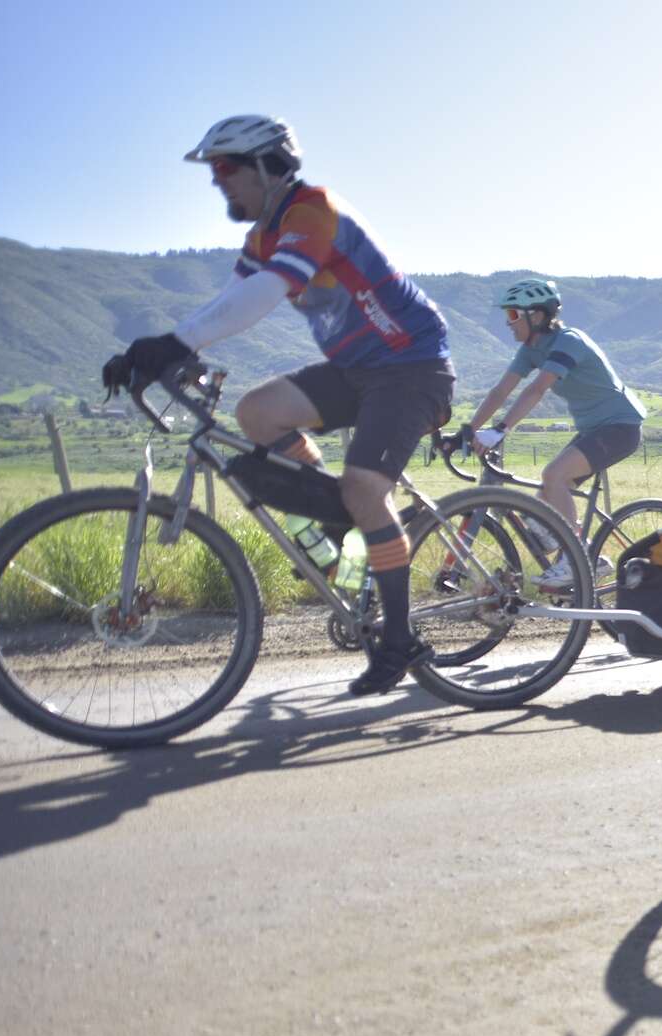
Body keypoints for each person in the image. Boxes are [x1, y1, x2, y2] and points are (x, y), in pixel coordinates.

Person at [101, 115, 456, 696]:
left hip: (409, 366)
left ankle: (399, 639)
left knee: (365, 488)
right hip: (356, 369)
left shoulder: (312, 211)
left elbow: (262, 296)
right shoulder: (261, 236)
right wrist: (150, 352)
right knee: (257, 413)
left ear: (270, 165)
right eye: (215, 172)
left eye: (227, 168)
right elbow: (231, 298)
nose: (219, 182)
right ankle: (341, 526)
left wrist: (177, 343)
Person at [461, 279, 647, 589]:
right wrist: (467, 430)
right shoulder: (531, 349)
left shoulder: (569, 341)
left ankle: (579, 557)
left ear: (536, 315)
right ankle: (581, 556)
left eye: (512, 315)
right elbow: (500, 392)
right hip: (594, 429)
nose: (508, 324)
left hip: (620, 426)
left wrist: (501, 429)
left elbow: (537, 389)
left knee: (555, 475)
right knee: (545, 499)